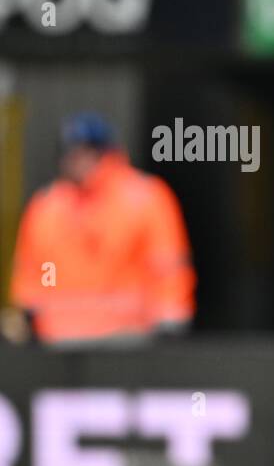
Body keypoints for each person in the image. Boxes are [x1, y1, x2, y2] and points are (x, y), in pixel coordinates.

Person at [5, 113, 195, 346]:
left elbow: (166, 264)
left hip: (127, 338)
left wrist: (170, 317)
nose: (76, 160)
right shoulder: (48, 206)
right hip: (60, 340)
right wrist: (32, 312)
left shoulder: (144, 197)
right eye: (71, 152)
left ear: (106, 153)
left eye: (86, 151)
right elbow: (42, 268)